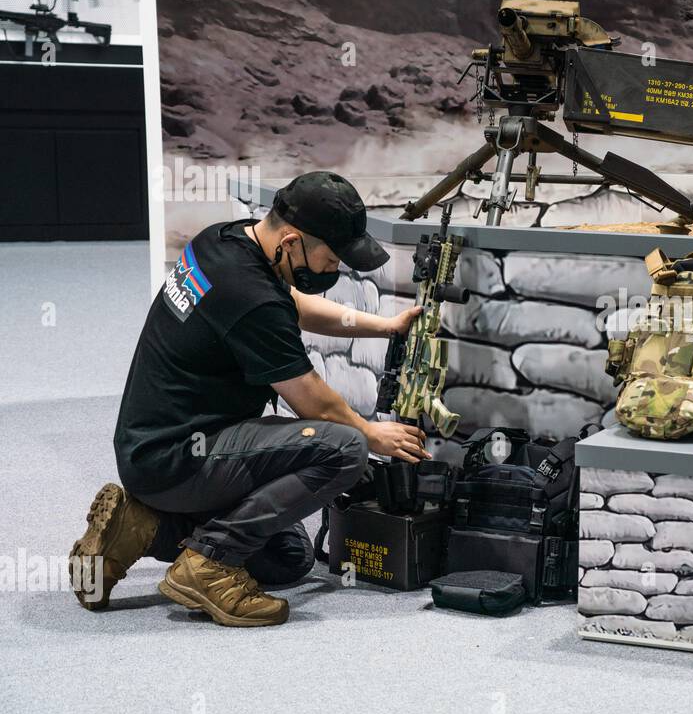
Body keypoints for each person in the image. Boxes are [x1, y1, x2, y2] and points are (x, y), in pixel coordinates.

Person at [70, 171, 429, 627]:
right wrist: (373, 434)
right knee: (345, 449)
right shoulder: (250, 295)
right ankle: (208, 565)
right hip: (179, 458)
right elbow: (314, 404)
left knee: (287, 558)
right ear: (294, 241)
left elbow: (290, 305)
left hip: (152, 448)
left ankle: (142, 527)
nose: (335, 269)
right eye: (332, 257)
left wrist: (383, 325)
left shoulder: (226, 242)